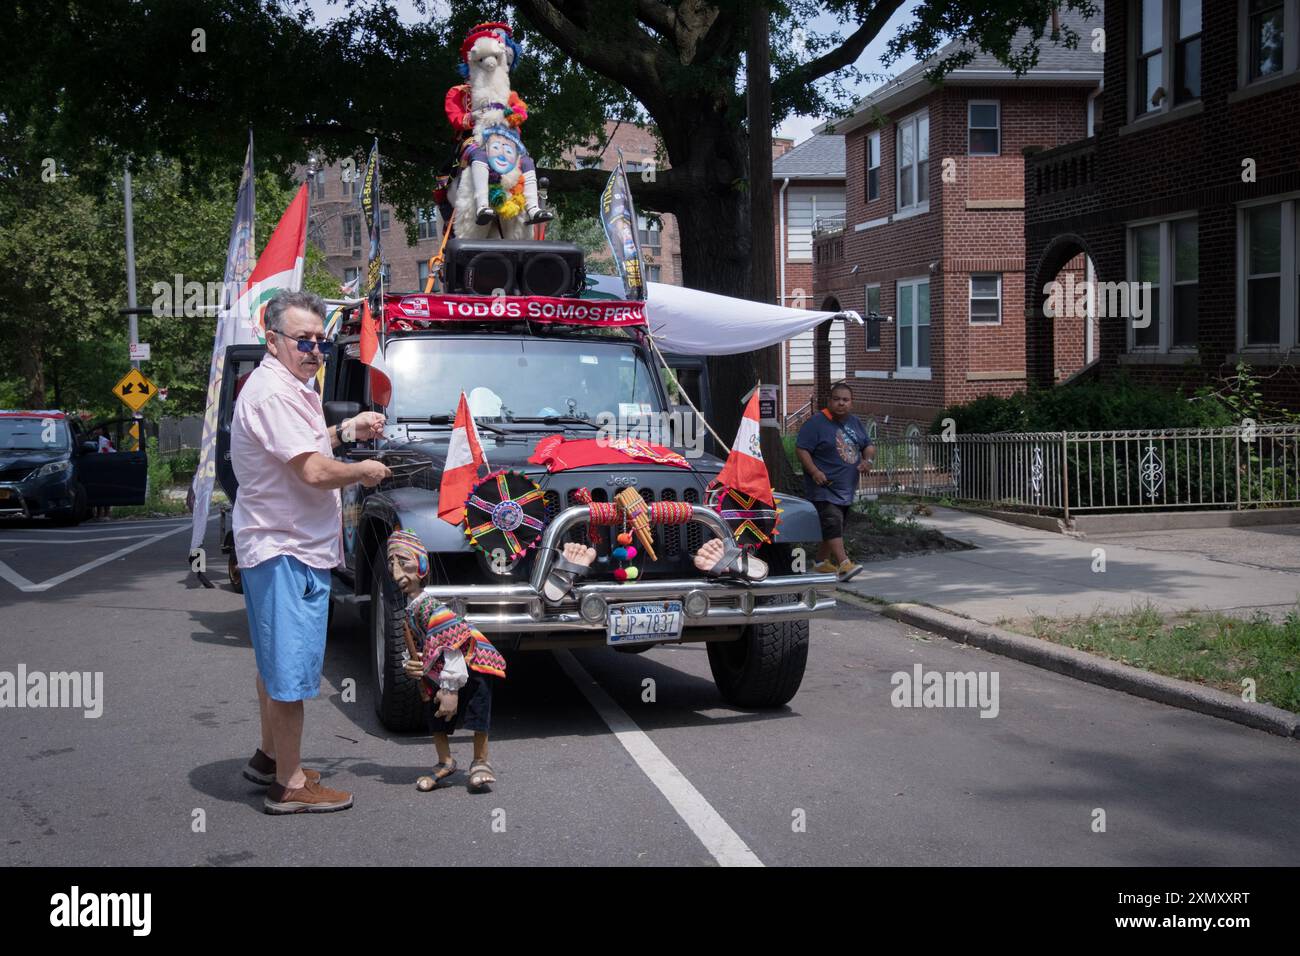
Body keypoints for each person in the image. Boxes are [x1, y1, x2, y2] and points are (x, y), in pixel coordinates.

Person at [231, 289, 390, 814]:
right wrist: (362, 470)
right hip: (286, 549)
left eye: (321, 341)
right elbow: (314, 471)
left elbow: (304, 444)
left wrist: (344, 430)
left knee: (275, 666)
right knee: (293, 674)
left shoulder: (285, 385)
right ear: (272, 341)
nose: (315, 350)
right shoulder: (275, 392)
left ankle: (268, 759)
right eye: (304, 340)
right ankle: (291, 785)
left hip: (281, 545)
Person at [388, 529, 507, 792]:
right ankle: (445, 761)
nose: (397, 574)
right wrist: (412, 663)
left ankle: (480, 761)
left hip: (471, 664)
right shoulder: (411, 610)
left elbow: (452, 649)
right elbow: (422, 648)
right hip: (442, 669)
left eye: (403, 563)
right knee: (432, 706)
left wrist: (450, 689)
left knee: (478, 698)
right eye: (392, 565)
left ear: (421, 566)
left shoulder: (434, 609)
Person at [795, 381, 874, 582]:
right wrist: (814, 471)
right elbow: (802, 448)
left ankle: (821, 562)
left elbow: (868, 445)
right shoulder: (816, 423)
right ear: (829, 401)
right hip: (824, 487)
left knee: (835, 528)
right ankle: (844, 564)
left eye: (845, 400)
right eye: (837, 399)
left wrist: (868, 460)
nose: (841, 403)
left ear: (851, 403)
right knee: (833, 522)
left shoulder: (855, 423)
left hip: (846, 489)